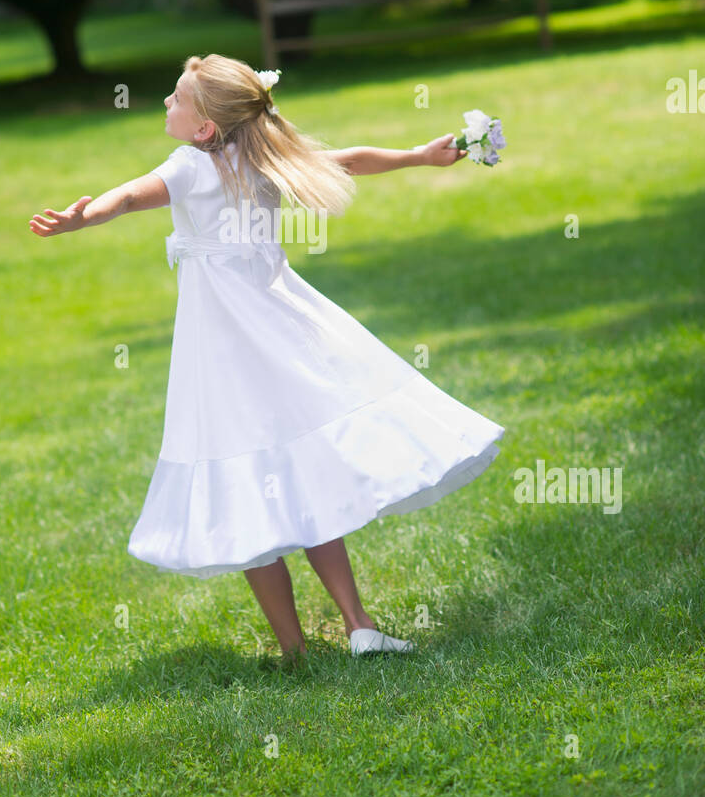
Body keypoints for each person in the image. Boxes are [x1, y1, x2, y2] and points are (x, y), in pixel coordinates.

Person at [29, 53, 505, 663]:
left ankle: (297, 650)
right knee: (300, 466)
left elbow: (124, 199)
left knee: (250, 482)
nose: (166, 104)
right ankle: (357, 624)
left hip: (224, 351)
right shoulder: (261, 156)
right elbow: (348, 159)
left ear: (205, 129)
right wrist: (417, 154)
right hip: (283, 332)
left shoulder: (189, 167)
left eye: (176, 98)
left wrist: (82, 218)